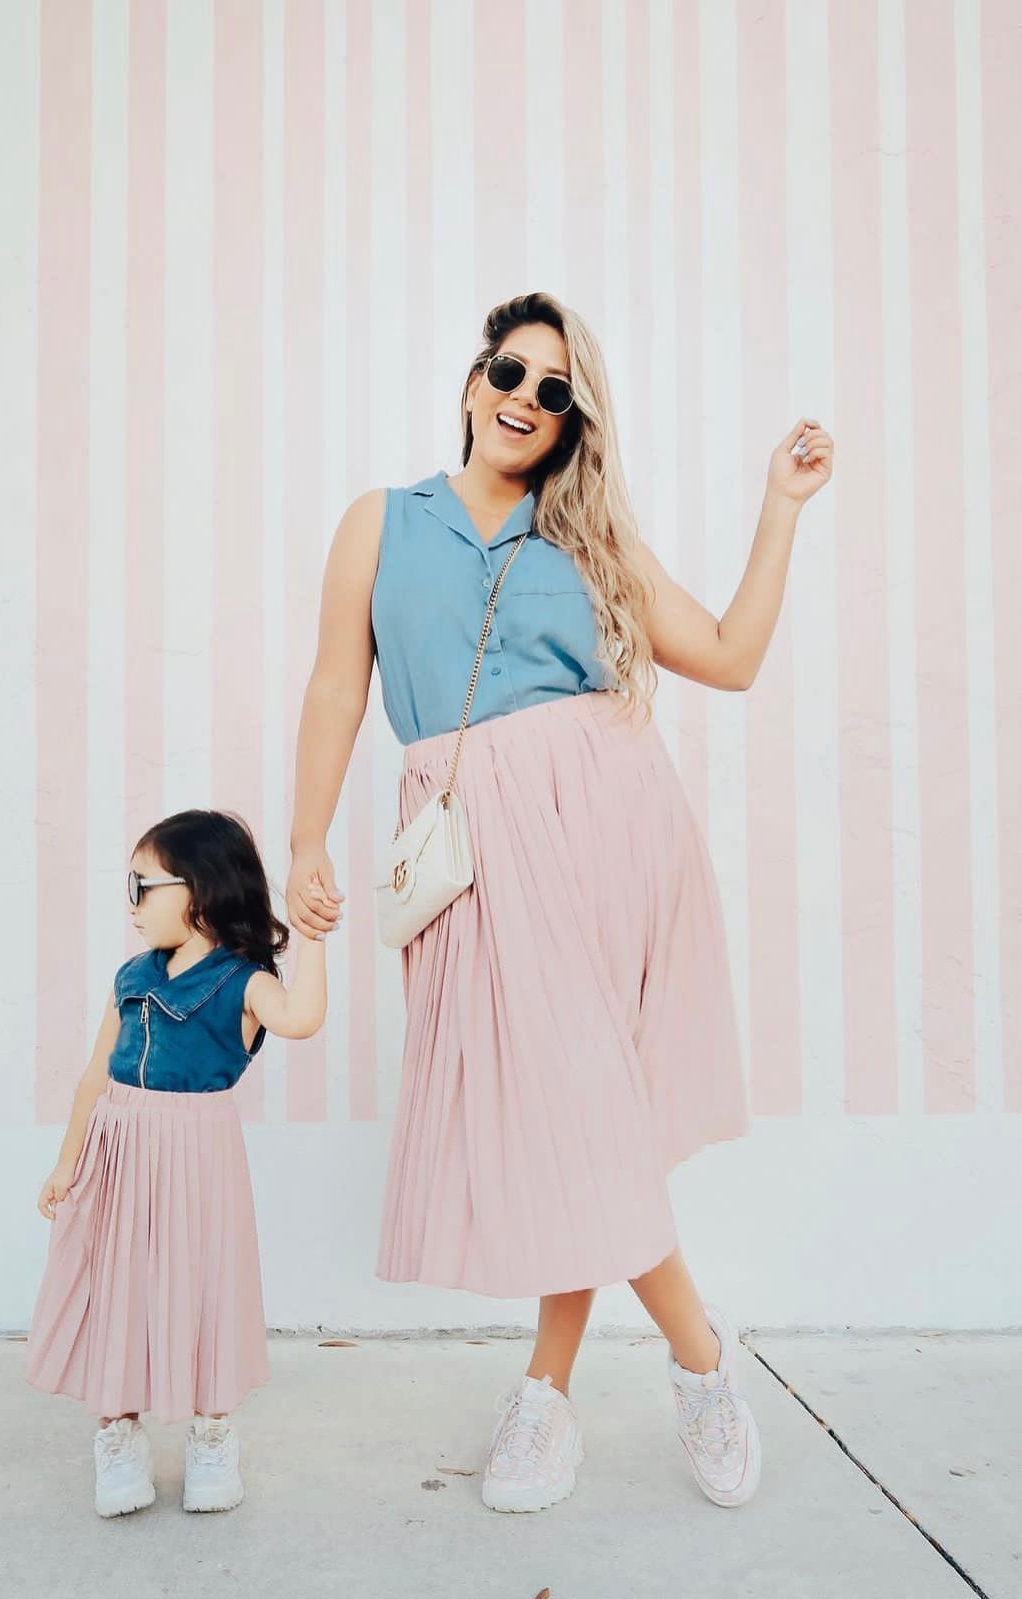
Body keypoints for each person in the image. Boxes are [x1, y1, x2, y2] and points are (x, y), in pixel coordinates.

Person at [285, 290, 833, 1513]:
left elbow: (733, 658)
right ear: (475, 379)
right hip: (473, 849)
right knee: (569, 1121)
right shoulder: (380, 523)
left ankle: (553, 1398)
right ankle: (690, 1363)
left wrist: (780, 507)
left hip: (604, 827)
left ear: (572, 420)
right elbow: (337, 687)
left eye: (554, 390)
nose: (525, 400)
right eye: (511, 372)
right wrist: (304, 840)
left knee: (579, 1111)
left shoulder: (587, 537)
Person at [25, 809, 327, 1518]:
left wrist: (310, 938)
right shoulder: (131, 976)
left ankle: (211, 1432)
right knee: (117, 1286)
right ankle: (118, 1431)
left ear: (197, 890)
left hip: (199, 1156)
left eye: (141, 884)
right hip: (119, 1152)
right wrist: (66, 1162)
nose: (130, 904)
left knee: (204, 1285)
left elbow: (301, 1018)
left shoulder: (242, 982)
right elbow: (96, 1073)